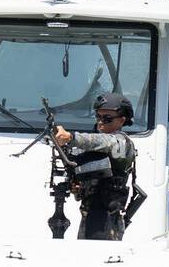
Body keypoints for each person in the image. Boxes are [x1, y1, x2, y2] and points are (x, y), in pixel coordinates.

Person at [53, 93, 137, 241]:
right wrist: (78, 189)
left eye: (107, 118)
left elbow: (103, 142)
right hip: (90, 216)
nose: (100, 122)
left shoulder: (123, 143)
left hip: (107, 220)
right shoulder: (97, 149)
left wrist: (71, 138)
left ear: (122, 120)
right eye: (98, 116)